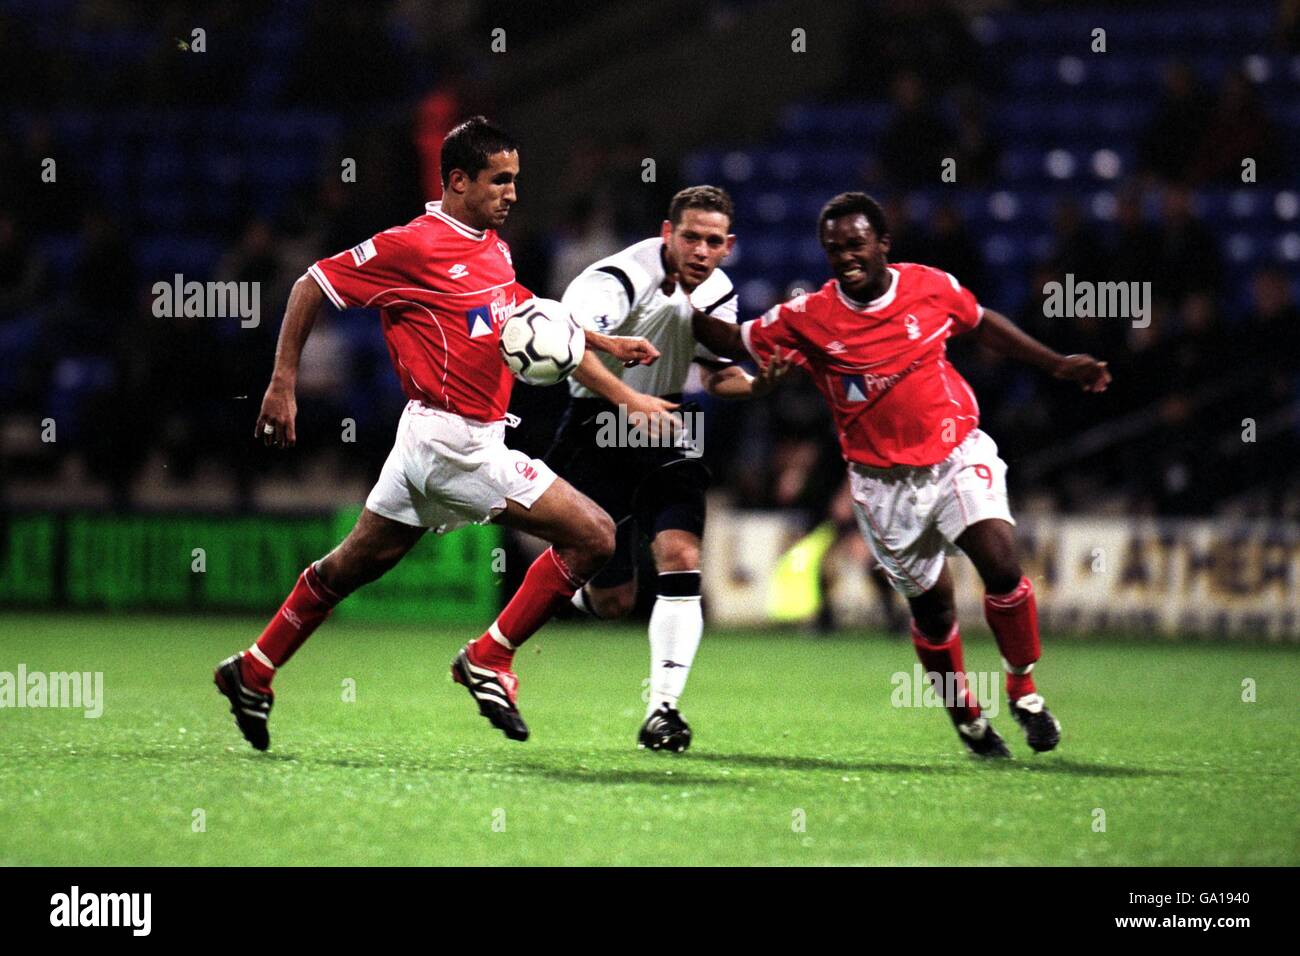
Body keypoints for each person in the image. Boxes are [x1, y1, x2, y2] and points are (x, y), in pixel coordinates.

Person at [213, 116, 659, 749]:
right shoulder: (415, 245)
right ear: (457, 181)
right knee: (595, 535)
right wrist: (282, 382)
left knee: (350, 567)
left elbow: (531, 314)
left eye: (516, 180)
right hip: (456, 443)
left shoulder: (493, 245)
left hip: (429, 442)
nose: (512, 193)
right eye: (499, 180)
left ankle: (255, 668)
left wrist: (603, 341)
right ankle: (490, 657)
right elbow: (312, 282)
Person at [689, 192, 1111, 757]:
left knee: (1002, 566)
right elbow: (731, 339)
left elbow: (983, 325)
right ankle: (966, 718)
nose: (846, 257)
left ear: (883, 244)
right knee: (933, 611)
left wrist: (1057, 363)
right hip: (883, 486)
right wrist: (675, 300)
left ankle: (1024, 690)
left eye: (856, 245)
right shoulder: (808, 316)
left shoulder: (930, 286)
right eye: (834, 249)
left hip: (957, 451)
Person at [549, 185, 787, 752]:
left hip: (667, 426)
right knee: (615, 603)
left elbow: (716, 375)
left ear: (727, 246)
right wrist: (629, 401)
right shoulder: (617, 280)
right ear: (666, 233)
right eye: (690, 238)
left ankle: (663, 710)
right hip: (597, 426)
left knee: (681, 557)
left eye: (712, 241)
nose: (701, 251)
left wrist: (759, 384)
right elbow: (569, 350)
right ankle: (579, 591)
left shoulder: (720, 292)